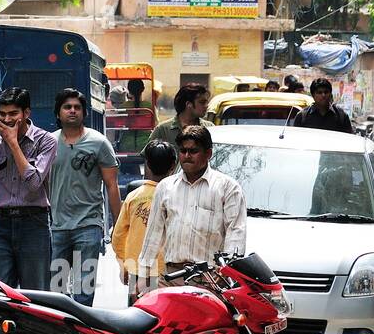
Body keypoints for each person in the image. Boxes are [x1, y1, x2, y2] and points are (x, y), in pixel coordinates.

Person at [137, 125, 247, 292]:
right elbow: (154, 233)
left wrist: (226, 275)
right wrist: (142, 276)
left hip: (211, 280)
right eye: (183, 151)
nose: (187, 156)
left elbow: (236, 233)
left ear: (208, 154)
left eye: (193, 151)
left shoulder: (227, 188)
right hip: (171, 277)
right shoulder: (166, 187)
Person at [0, 88, 58, 291]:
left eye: (13, 114)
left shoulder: (45, 141)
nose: (7, 119)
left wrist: (13, 143)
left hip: (34, 224)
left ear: (26, 114)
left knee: (35, 294)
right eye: (2, 114)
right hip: (2, 223)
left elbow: (34, 182)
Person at [48, 89, 120, 306]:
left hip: (88, 226)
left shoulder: (98, 143)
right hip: (57, 228)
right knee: (56, 292)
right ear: (58, 113)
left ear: (84, 113)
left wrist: (119, 225)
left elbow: (111, 185)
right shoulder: (49, 143)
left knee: (84, 293)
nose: (72, 111)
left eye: (77, 107)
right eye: (67, 107)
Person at [112, 140, 176, 302]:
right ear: (173, 166)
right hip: (166, 270)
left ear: (146, 163)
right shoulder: (176, 197)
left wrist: (124, 264)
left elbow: (118, 235)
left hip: (137, 268)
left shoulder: (133, 197)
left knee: (137, 317)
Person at [149, 83, 209, 150]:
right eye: (202, 102)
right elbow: (148, 156)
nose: (206, 105)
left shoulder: (209, 128)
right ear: (188, 104)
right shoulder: (163, 130)